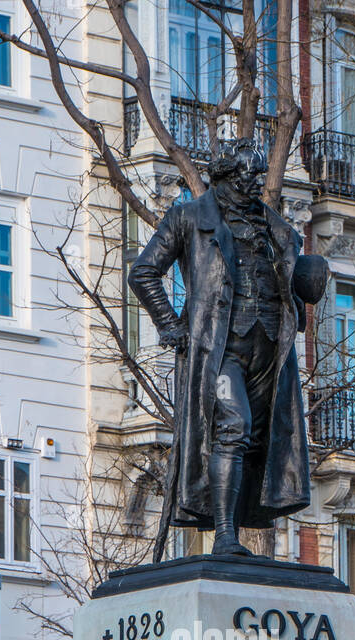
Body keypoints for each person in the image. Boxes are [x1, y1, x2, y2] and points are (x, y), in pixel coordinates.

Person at [128, 138, 328, 557]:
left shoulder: (278, 229)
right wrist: (171, 325)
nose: (256, 184)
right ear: (224, 177)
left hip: (271, 350)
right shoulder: (188, 218)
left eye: (258, 176)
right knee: (231, 426)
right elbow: (144, 272)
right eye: (247, 176)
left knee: (258, 442)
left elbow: (293, 284)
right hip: (220, 348)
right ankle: (223, 536)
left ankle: (237, 525)